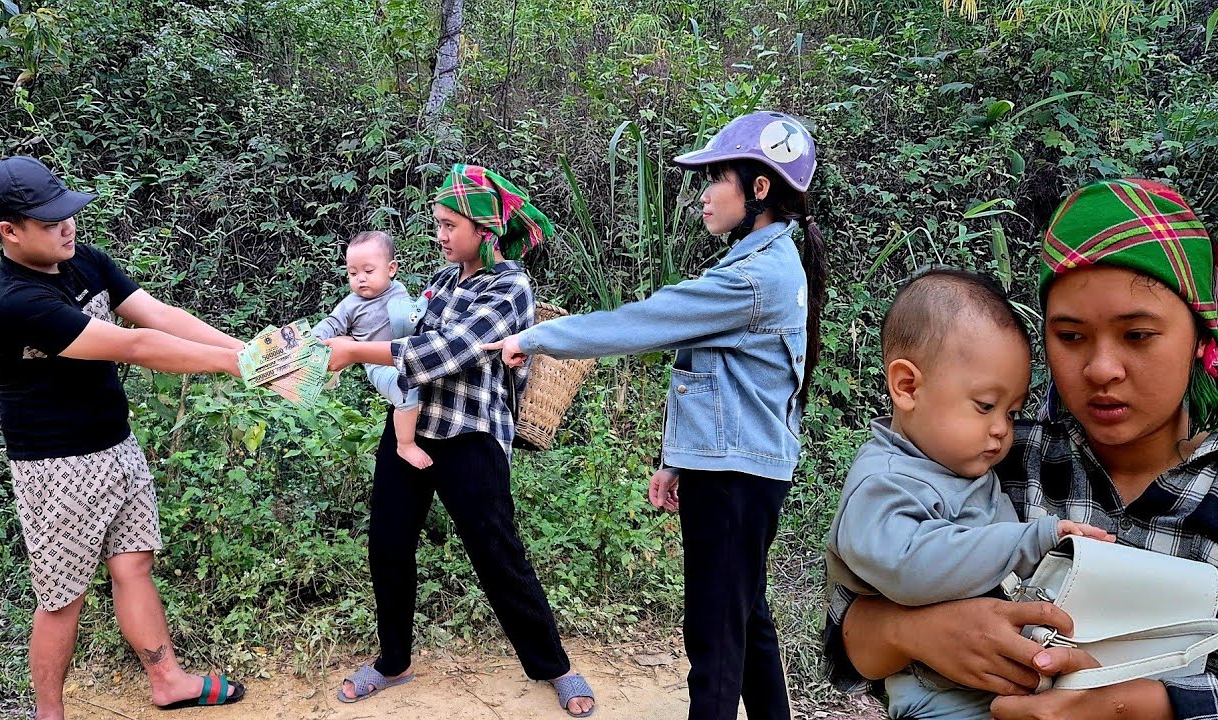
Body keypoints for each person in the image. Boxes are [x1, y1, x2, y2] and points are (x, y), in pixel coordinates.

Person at [822, 178, 1218, 720]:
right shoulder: (995, 457)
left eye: (1138, 335)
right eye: (1071, 336)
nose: (1102, 368)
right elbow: (851, 636)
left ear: (1199, 337)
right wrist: (916, 631)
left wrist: (1136, 706)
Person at [484, 110, 829, 720]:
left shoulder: (753, 277)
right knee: (746, 621)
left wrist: (537, 338)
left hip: (733, 479)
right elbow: (717, 375)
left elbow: (641, 321)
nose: (702, 195)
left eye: (715, 178)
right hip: (737, 468)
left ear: (759, 188)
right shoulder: (766, 264)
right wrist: (674, 461)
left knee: (715, 642)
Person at [0, 156, 248, 717]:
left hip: (115, 445)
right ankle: (48, 714)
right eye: (51, 222)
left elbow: (154, 315)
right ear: (9, 230)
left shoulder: (82, 261)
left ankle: (167, 680)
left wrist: (247, 352)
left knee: (134, 565)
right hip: (57, 467)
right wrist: (237, 366)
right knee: (61, 598)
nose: (67, 228)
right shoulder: (16, 301)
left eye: (67, 215)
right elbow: (135, 345)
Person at [323, 164, 596, 717]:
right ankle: (394, 661)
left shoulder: (510, 287)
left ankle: (555, 666)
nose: (442, 236)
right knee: (388, 545)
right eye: (438, 225)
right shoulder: (445, 280)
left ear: (484, 229)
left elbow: (445, 353)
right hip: (413, 427)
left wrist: (355, 352)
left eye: (450, 225)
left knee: (497, 553)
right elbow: (404, 334)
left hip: (471, 432)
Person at [825, 268, 1113, 720]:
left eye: (1013, 411)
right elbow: (909, 567)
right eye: (984, 406)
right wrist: (1031, 539)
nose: (1002, 429)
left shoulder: (961, 464)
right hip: (940, 700)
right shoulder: (885, 480)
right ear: (907, 387)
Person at [312, 230, 432, 468]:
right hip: (379, 366)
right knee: (406, 392)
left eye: (368, 271)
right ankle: (405, 444)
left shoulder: (398, 290)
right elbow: (332, 323)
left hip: (406, 356)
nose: (360, 279)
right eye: (353, 273)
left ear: (391, 269)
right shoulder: (350, 305)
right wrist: (315, 337)